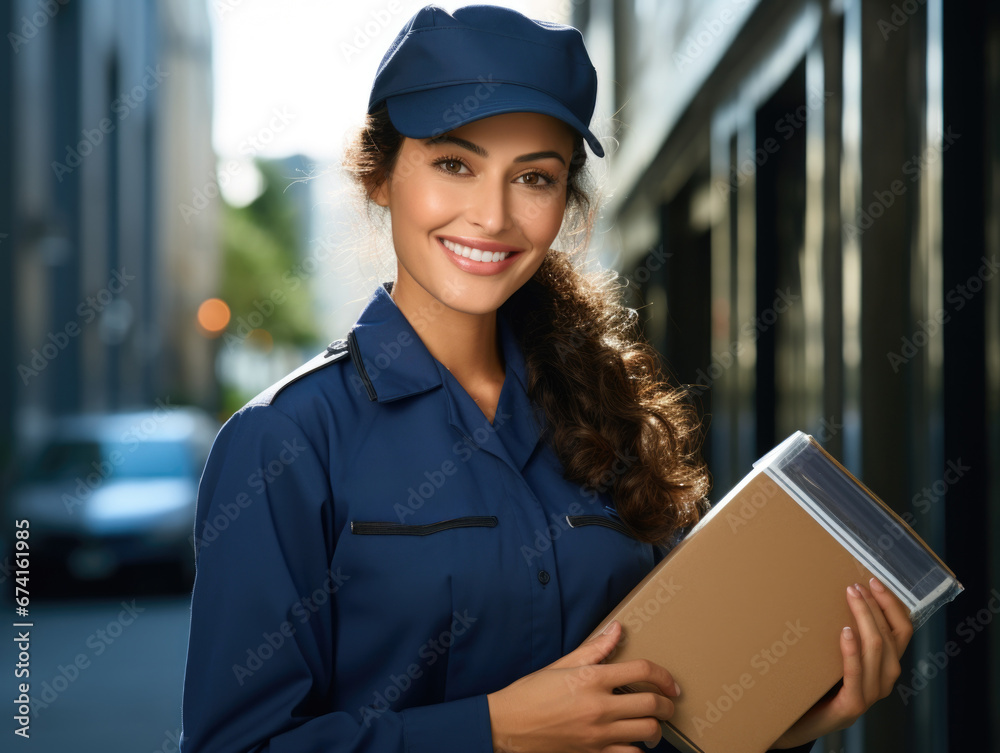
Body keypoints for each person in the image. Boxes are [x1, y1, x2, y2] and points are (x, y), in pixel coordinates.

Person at [178, 5, 913, 752]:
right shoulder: (285, 442)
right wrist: (494, 729)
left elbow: (665, 709)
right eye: (454, 163)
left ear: (565, 201)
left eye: (534, 177)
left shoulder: (604, 413)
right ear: (379, 176)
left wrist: (779, 720)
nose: (493, 215)